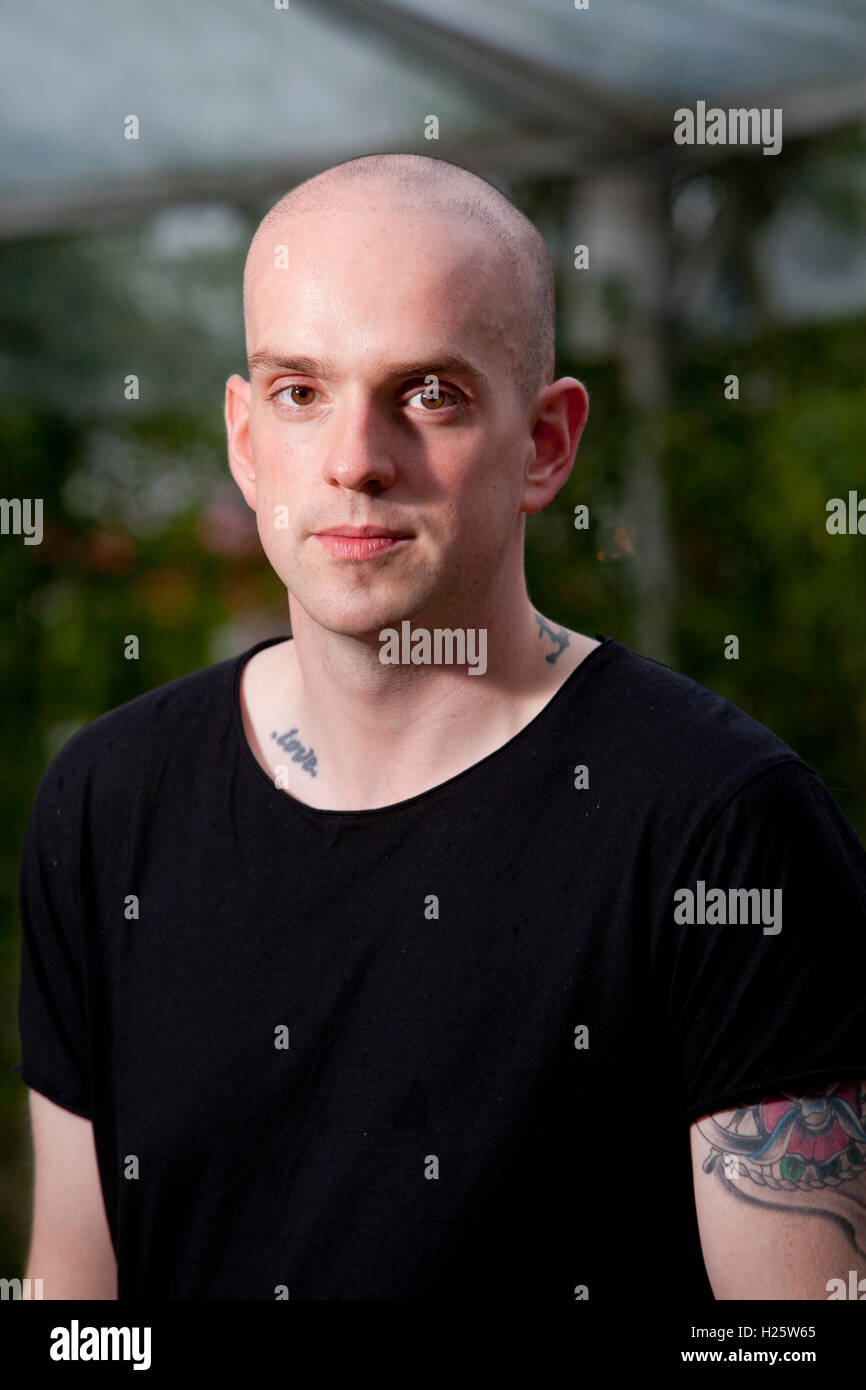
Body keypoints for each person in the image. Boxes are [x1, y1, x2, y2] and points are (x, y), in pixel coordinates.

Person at [14, 153, 866, 1302]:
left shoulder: (718, 827)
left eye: (429, 393)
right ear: (243, 435)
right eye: (299, 391)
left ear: (547, 443)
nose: (357, 460)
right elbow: (78, 1300)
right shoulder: (107, 803)